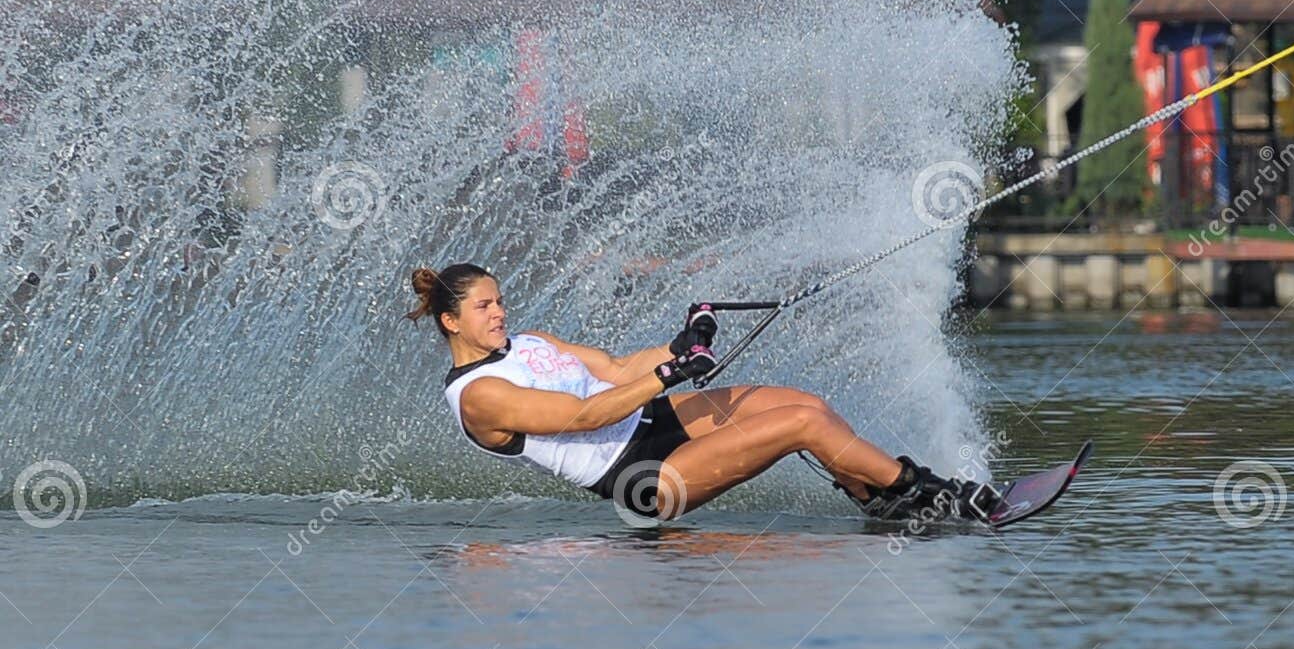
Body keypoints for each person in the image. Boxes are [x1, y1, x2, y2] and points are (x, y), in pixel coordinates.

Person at [407, 262, 1001, 523]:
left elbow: (616, 369)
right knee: (804, 429)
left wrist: (682, 342)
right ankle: (937, 495)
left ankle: (873, 496)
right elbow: (585, 416)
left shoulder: (531, 341)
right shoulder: (478, 395)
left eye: (500, 300)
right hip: (641, 480)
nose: (499, 312)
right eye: (484, 306)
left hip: (655, 423)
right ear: (450, 322)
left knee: (804, 404)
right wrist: (668, 375)